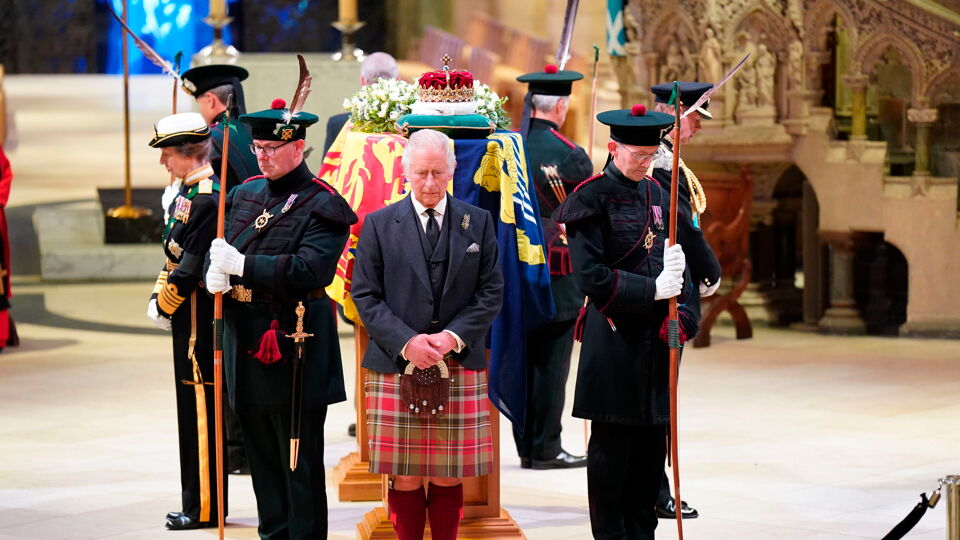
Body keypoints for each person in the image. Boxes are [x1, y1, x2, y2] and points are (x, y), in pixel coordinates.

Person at [204, 97, 357, 539]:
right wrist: (215, 277)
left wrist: (242, 267)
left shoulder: (323, 204)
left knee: (298, 461)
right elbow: (224, 252)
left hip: (295, 346)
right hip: (245, 341)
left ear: (298, 147)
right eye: (258, 149)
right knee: (262, 461)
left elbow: (311, 269)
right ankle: (272, 534)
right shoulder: (243, 193)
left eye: (273, 149)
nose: (265, 157)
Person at [553, 104, 708, 539]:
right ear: (613, 148)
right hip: (614, 340)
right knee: (611, 453)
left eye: (650, 155)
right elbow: (591, 276)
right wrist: (651, 290)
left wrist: (687, 313)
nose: (644, 164)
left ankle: (643, 534)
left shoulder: (662, 194)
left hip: (658, 344)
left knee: (649, 452)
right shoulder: (590, 199)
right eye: (636, 156)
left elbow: (686, 272)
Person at [351, 129, 503, 540]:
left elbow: (492, 292)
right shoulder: (379, 225)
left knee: (451, 475)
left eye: (439, 172)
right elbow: (364, 295)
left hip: (458, 361)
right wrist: (407, 342)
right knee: (405, 477)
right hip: (396, 364)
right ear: (405, 172)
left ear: (454, 170)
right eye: (422, 173)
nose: (431, 183)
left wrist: (452, 338)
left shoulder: (479, 222)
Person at [144, 112, 225, 530]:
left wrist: (166, 302)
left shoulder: (206, 197)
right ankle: (196, 501)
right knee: (189, 410)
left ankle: (205, 507)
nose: (163, 163)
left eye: (167, 155)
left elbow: (190, 265)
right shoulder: (189, 192)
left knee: (199, 413)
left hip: (195, 323)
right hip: (185, 319)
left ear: (188, 153)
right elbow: (174, 254)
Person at [649, 81, 724, 520]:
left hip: (668, 289)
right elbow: (683, 226)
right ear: (674, 114)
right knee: (659, 399)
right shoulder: (658, 165)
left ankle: (653, 487)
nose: (697, 129)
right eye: (695, 118)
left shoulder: (663, 159)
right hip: (664, 296)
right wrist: (711, 270)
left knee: (661, 395)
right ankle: (656, 491)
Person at [181, 63, 261, 473]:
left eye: (197, 100)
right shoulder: (251, 132)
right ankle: (248, 445)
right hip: (257, 256)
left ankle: (235, 450)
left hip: (225, 254)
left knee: (225, 357)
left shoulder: (214, 138)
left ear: (211, 101)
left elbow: (210, 200)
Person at [513, 65, 592, 470]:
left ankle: (525, 443)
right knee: (552, 364)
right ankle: (546, 447)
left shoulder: (506, 146)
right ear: (561, 106)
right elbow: (585, 218)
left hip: (514, 270)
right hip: (558, 273)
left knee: (522, 360)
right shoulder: (571, 154)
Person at [181, 64, 261, 189]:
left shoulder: (211, 138)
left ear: (210, 100)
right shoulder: (257, 129)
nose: (200, 111)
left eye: (199, 103)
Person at [323, 52, 399, 155]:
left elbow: (328, 169)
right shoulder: (407, 125)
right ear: (398, 80)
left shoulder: (337, 125)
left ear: (362, 81)